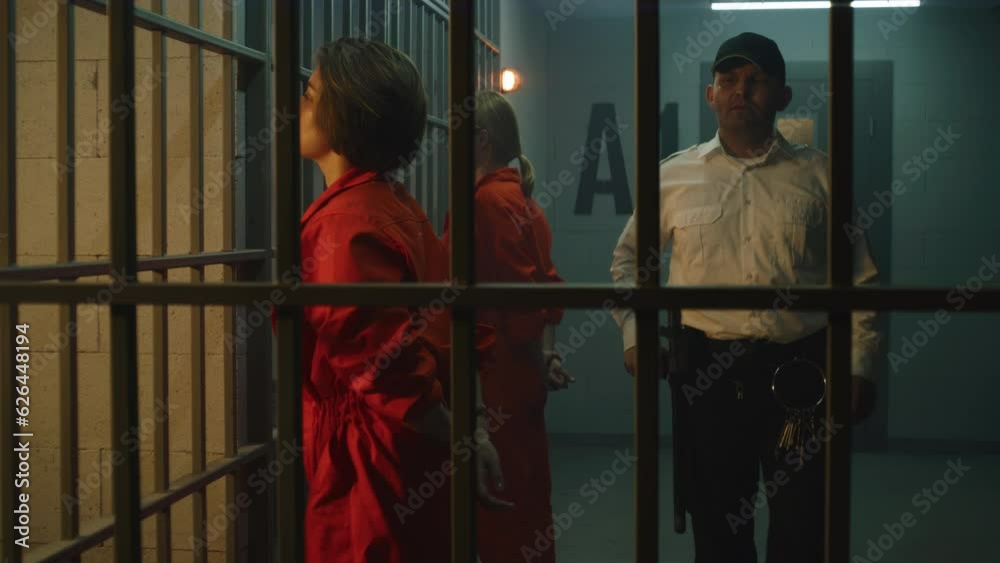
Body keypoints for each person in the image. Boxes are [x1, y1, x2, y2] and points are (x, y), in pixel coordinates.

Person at [610, 32, 880, 562]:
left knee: (804, 528)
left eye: (755, 80)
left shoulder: (822, 176)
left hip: (803, 372)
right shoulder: (673, 176)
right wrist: (633, 333)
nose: (740, 90)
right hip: (708, 375)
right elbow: (627, 264)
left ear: (783, 95)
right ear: (710, 94)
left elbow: (860, 278)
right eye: (728, 80)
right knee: (717, 528)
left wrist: (860, 364)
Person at [284, 38, 510, 563]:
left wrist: (465, 438)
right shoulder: (395, 203)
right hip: (407, 449)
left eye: (310, 94)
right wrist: (468, 430)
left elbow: (382, 368)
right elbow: (455, 328)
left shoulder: (344, 222)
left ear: (346, 113)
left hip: (368, 462)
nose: (298, 106)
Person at [442, 90, 573, 563]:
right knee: (525, 502)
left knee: (498, 506)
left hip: (492, 379)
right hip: (519, 381)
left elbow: (515, 306)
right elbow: (549, 292)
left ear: (480, 141)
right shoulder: (523, 202)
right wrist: (548, 357)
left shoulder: (483, 204)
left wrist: (538, 358)